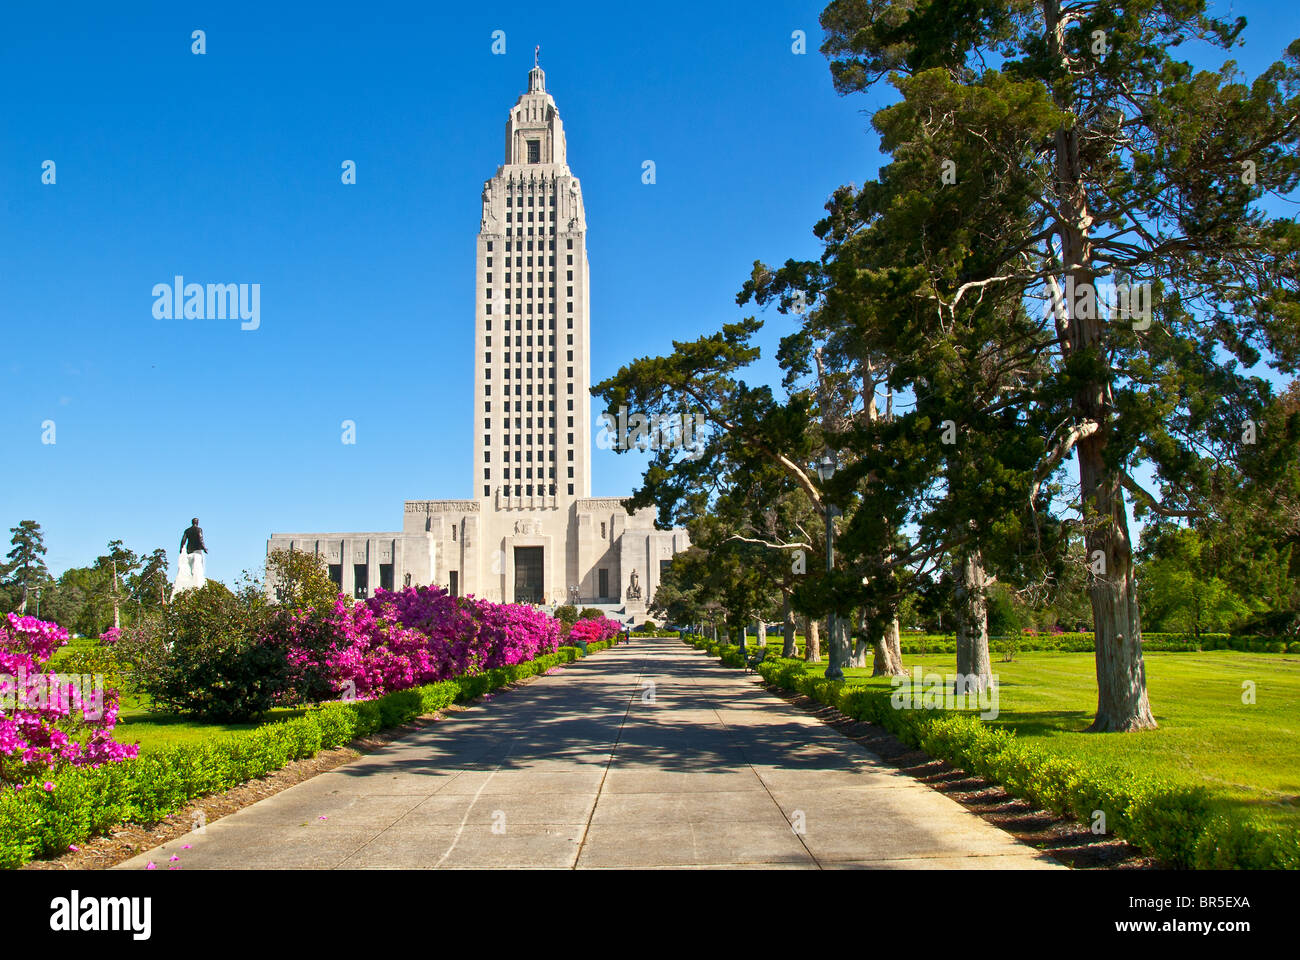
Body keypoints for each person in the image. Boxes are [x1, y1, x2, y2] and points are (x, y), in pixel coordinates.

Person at [174, 517, 207, 594]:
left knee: (188, 570)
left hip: (189, 551)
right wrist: (204, 548)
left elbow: (183, 540)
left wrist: (181, 549)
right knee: (197, 570)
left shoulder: (187, 530)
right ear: (197, 522)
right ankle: (197, 588)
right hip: (197, 551)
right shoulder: (199, 529)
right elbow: (200, 538)